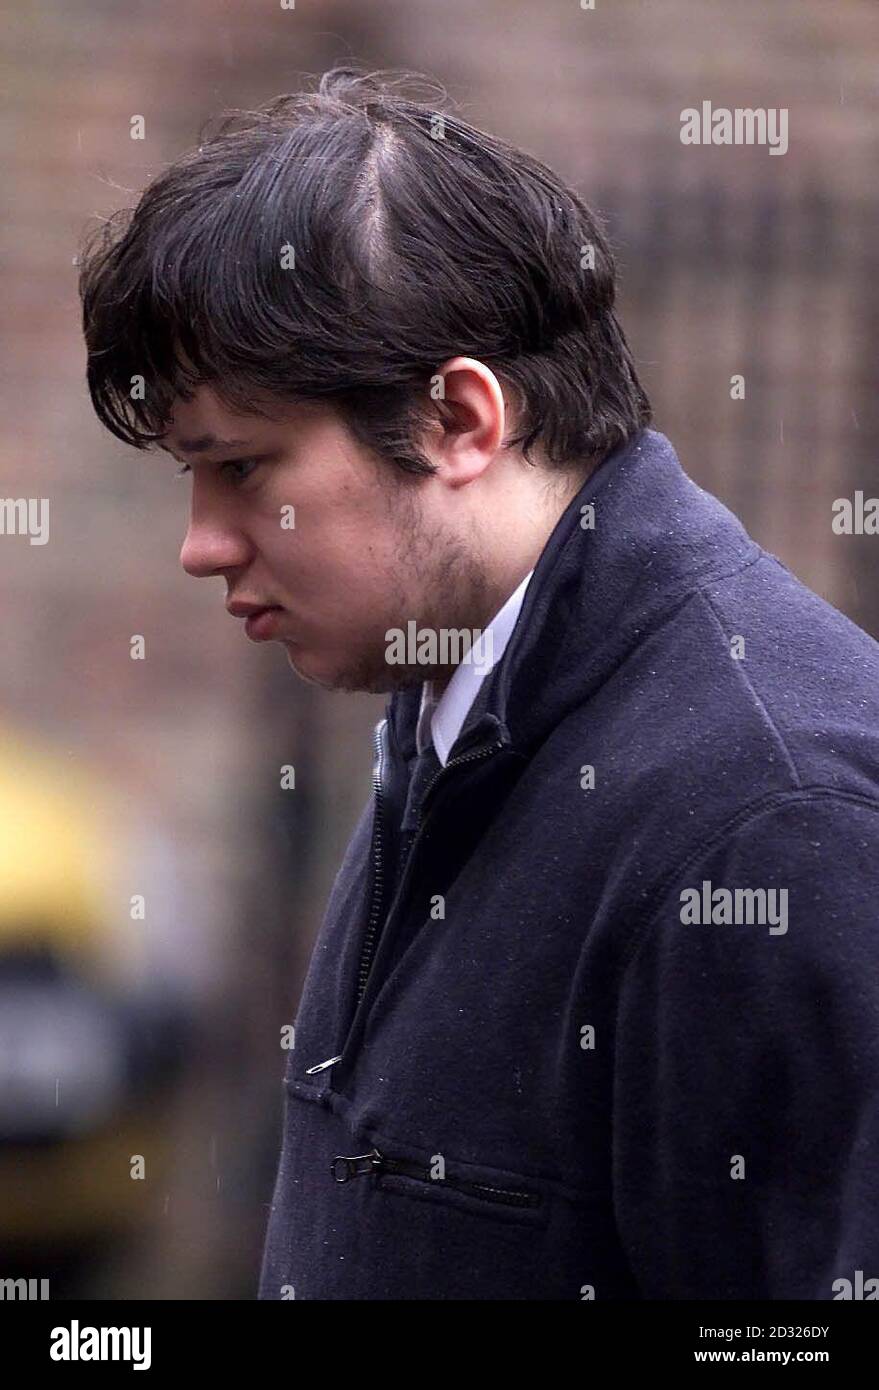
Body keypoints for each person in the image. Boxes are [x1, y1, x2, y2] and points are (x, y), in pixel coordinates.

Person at [78, 66, 879, 1300]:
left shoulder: (770, 827)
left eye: (241, 465)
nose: (202, 542)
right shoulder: (450, 696)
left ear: (459, 418)